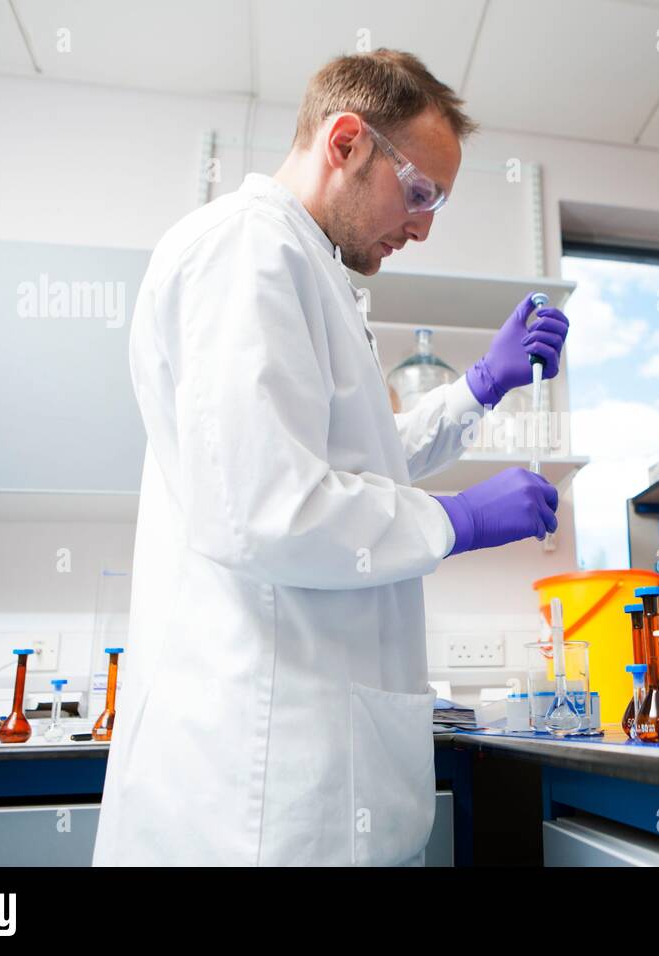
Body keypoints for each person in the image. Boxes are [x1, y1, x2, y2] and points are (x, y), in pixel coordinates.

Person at [92, 49, 568, 866]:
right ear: (345, 142)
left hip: (306, 781)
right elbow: (265, 506)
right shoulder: (245, 251)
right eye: (420, 192)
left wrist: (480, 389)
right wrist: (455, 521)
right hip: (255, 799)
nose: (422, 225)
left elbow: (354, 470)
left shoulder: (307, 268)